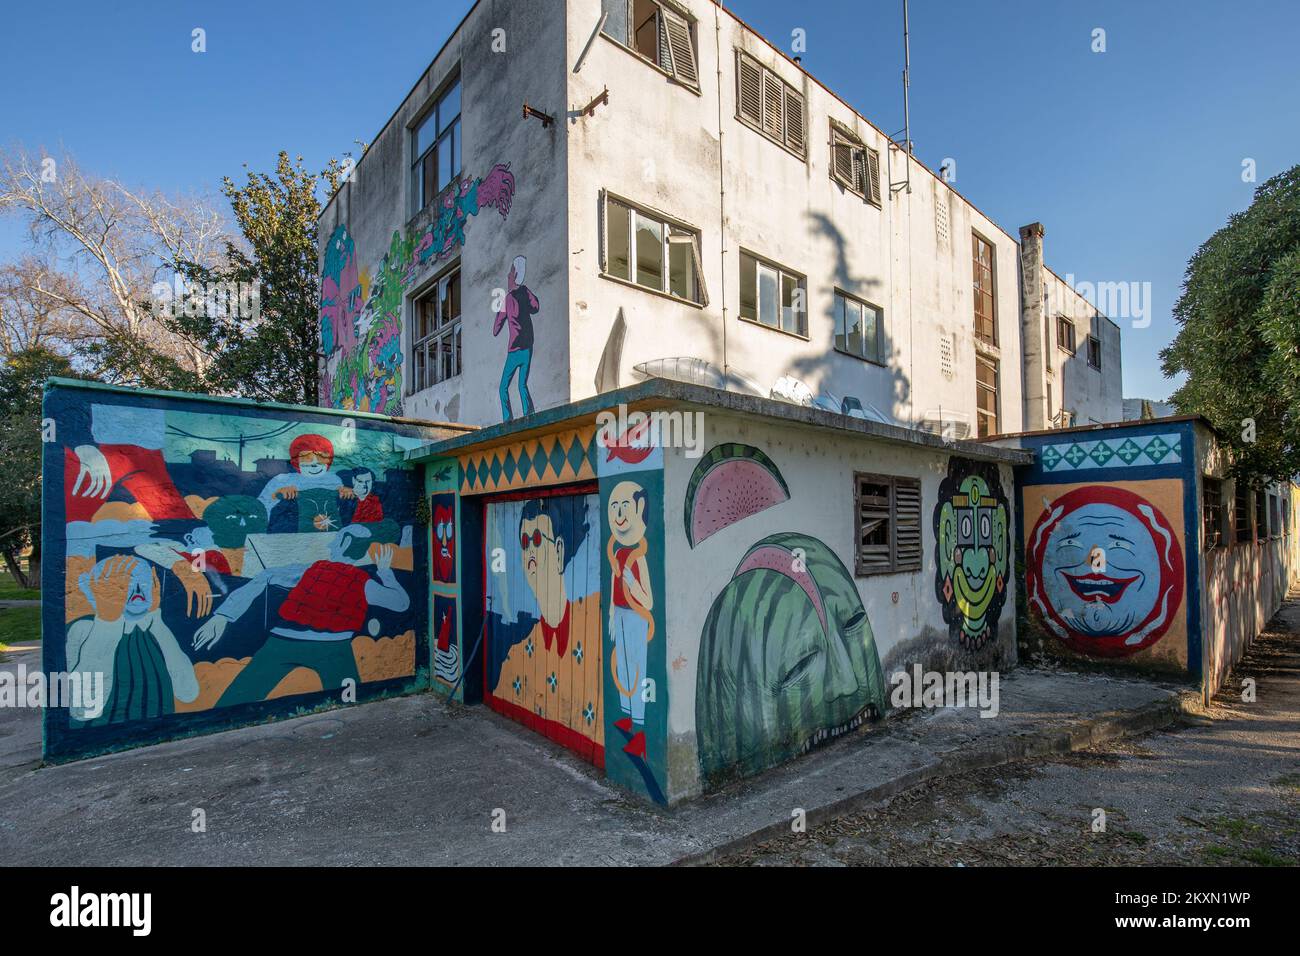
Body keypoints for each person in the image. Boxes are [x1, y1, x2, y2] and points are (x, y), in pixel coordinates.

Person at [192, 525, 408, 707]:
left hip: (284, 642)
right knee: (350, 698)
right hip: (332, 647)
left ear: (342, 544)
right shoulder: (364, 583)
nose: (331, 544)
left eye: (336, 540)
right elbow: (400, 603)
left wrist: (222, 615)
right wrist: (386, 573)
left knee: (238, 697)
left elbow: (265, 576)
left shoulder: (310, 570)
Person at [492, 497, 602, 749]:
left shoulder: (593, 620)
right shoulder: (518, 655)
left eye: (538, 540)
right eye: (524, 543)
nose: (530, 551)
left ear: (560, 550)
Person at [66, 554, 200, 725]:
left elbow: (188, 693)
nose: (138, 591)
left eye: (144, 582)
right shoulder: (84, 630)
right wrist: (107, 621)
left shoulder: (154, 629)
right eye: (124, 585)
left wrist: (156, 620)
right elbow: (82, 710)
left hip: (160, 728)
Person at [606, 480, 654, 758]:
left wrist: (634, 583)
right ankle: (626, 719)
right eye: (615, 508)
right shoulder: (618, 554)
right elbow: (614, 590)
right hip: (621, 616)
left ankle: (639, 728)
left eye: (625, 507)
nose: (620, 514)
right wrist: (613, 615)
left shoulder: (639, 556)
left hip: (637, 618)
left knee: (637, 669)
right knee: (623, 668)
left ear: (638, 509)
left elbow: (648, 601)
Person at [257, 434, 355, 532]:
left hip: (327, 536)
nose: (314, 463)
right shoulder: (281, 480)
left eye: (321, 457)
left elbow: (341, 512)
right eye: (307, 458)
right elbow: (259, 511)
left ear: (329, 459)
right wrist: (275, 495)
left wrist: (347, 494)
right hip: (288, 537)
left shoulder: (333, 479)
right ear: (297, 459)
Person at [492, 256, 539, 421]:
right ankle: (529, 415)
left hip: (515, 349)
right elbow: (535, 307)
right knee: (522, 384)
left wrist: (498, 320)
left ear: (516, 274)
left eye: (511, 271)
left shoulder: (508, 298)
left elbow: (496, 327)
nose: (508, 275)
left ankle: (507, 420)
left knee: (503, 387)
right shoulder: (526, 292)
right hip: (528, 346)